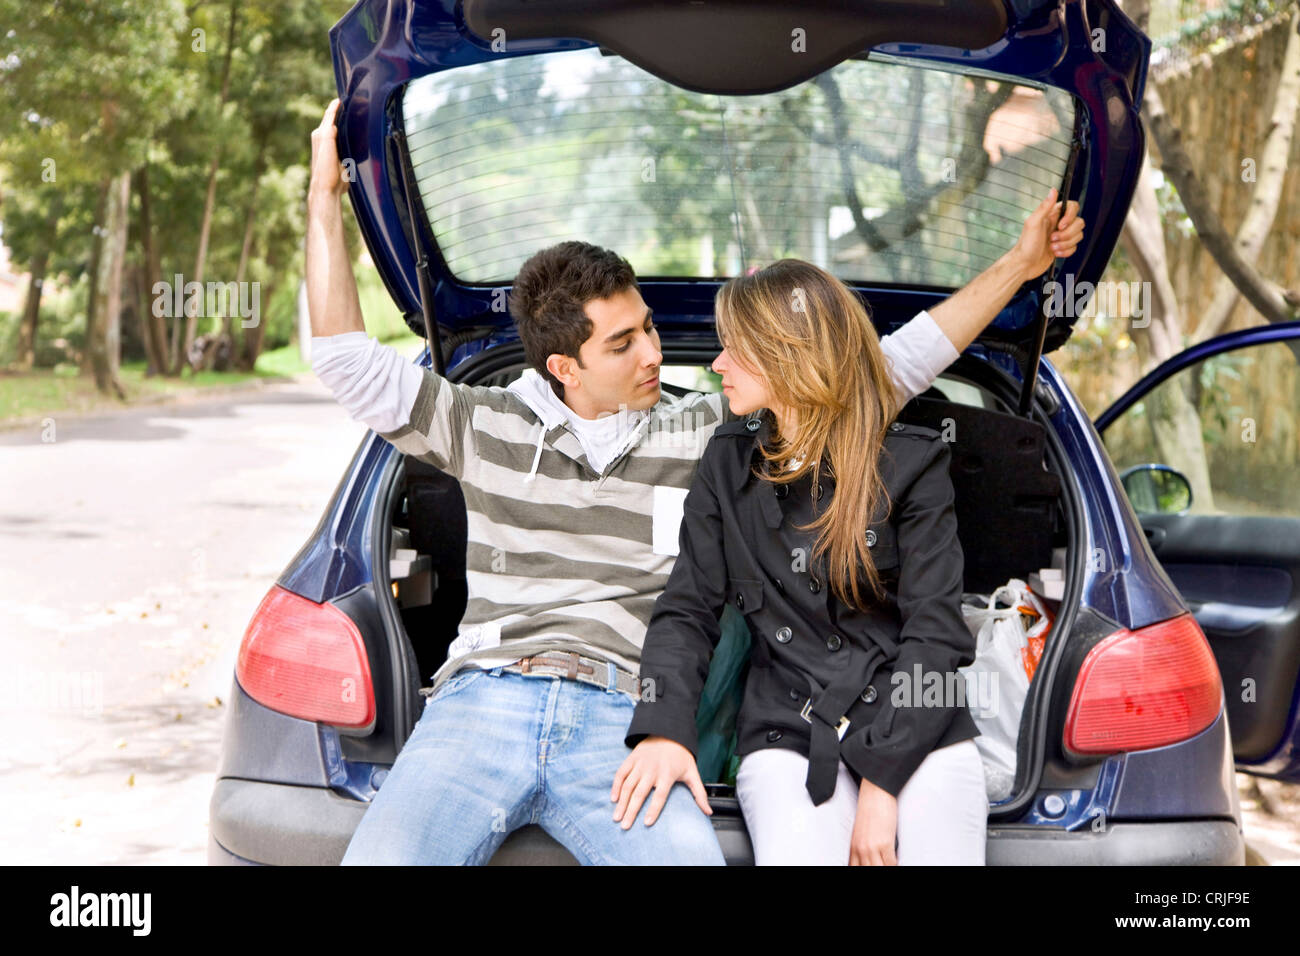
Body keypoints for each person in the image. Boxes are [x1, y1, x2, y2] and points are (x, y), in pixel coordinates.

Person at [304, 98, 1084, 864]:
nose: (654, 355)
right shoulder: (479, 425)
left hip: (621, 713)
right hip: (483, 700)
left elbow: (873, 367)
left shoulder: (706, 432)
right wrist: (322, 200)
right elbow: (342, 360)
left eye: (648, 326)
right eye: (624, 344)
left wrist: (1020, 266)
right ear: (564, 368)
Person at [616, 259, 988, 865]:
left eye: (735, 348)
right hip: (785, 729)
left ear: (789, 356)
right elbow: (688, 609)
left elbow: (936, 638)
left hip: (916, 717)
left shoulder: (912, 464)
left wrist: (882, 780)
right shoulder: (727, 464)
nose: (717, 365)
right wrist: (663, 728)